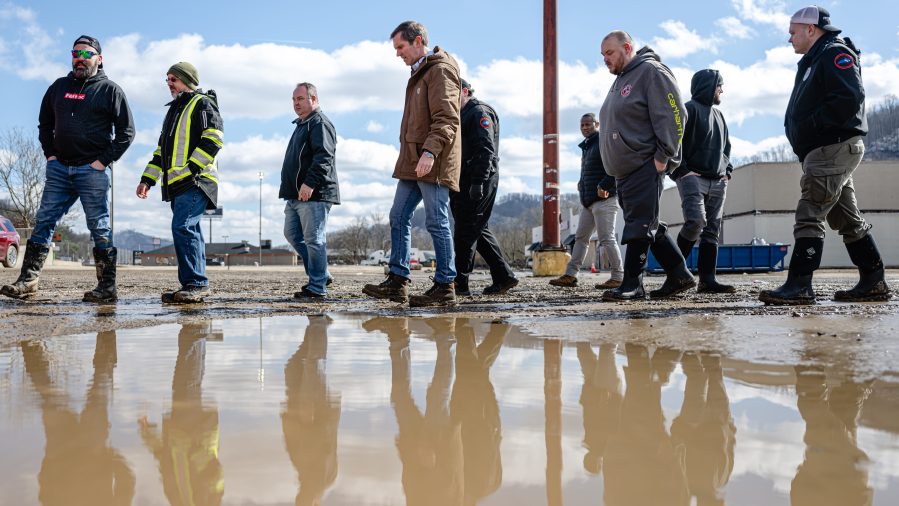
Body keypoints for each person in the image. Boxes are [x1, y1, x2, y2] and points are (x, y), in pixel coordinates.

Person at [760, 6, 890, 305]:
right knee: (847, 218)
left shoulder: (834, 54)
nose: (789, 38)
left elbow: (849, 98)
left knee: (810, 212)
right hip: (827, 149)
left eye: (793, 32)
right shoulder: (816, 58)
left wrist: (811, 126)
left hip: (831, 147)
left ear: (811, 29)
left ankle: (799, 285)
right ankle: (873, 280)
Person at [2, 35, 134, 303]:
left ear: (99, 59)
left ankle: (106, 288)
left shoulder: (110, 90)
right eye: (75, 54)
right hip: (59, 169)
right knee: (44, 221)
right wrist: (50, 155)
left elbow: (126, 133)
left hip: (92, 171)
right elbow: (44, 124)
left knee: (99, 226)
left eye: (86, 54)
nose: (79, 59)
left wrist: (102, 162)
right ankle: (28, 280)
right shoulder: (58, 87)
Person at [362, 20, 462, 307]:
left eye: (400, 47)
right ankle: (398, 280)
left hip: (433, 160)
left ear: (418, 41)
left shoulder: (440, 70)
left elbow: (447, 118)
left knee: (436, 221)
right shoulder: (419, 73)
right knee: (398, 215)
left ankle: (445, 285)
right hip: (412, 160)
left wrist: (430, 153)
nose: (397, 53)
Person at [597, 30, 694, 301]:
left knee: (640, 225)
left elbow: (676, 114)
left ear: (627, 48)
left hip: (644, 163)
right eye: (603, 55)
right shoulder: (621, 79)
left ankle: (633, 284)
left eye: (609, 52)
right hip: (625, 169)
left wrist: (664, 156)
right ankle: (679, 275)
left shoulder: (651, 72)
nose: (605, 59)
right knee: (646, 223)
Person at [137, 62, 223, 304]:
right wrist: (147, 179)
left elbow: (214, 139)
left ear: (187, 80)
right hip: (178, 184)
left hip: (196, 181)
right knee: (189, 229)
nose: (169, 83)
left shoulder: (202, 103)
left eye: (173, 79)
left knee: (183, 227)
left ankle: (196, 283)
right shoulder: (174, 111)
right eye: (167, 79)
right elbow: (161, 152)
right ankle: (192, 284)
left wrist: (191, 170)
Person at [670, 69, 735, 294]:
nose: (721, 91)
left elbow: (727, 148)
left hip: (718, 180)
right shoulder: (688, 110)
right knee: (696, 222)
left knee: (712, 231)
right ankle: (675, 276)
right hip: (692, 177)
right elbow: (674, 143)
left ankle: (707, 281)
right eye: (719, 86)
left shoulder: (720, 116)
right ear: (708, 86)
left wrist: (727, 171)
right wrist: (682, 171)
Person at [451, 78, 518, 297]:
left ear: (465, 91)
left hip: (478, 178)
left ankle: (460, 283)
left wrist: (478, 181)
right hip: (466, 178)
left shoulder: (478, 112)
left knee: (465, 231)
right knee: (477, 229)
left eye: (452, 92)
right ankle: (504, 276)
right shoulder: (464, 114)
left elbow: (485, 149)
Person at [279, 82, 340, 299]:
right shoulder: (301, 124)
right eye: (294, 99)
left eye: (300, 99)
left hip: (314, 193)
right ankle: (321, 274)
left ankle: (317, 287)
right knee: (292, 234)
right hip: (295, 195)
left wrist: (310, 183)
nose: (296, 103)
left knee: (314, 239)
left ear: (313, 99)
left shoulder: (320, 123)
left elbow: (324, 156)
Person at [549, 113, 623, 289]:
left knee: (606, 238)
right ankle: (570, 275)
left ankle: (618, 277)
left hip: (605, 199)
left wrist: (604, 185)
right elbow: (592, 169)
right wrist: (582, 183)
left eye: (588, 124)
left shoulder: (603, 141)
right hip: (588, 202)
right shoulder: (588, 146)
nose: (585, 128)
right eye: (582, 125)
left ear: (597, 124)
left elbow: (617, 165)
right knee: (581, 238)